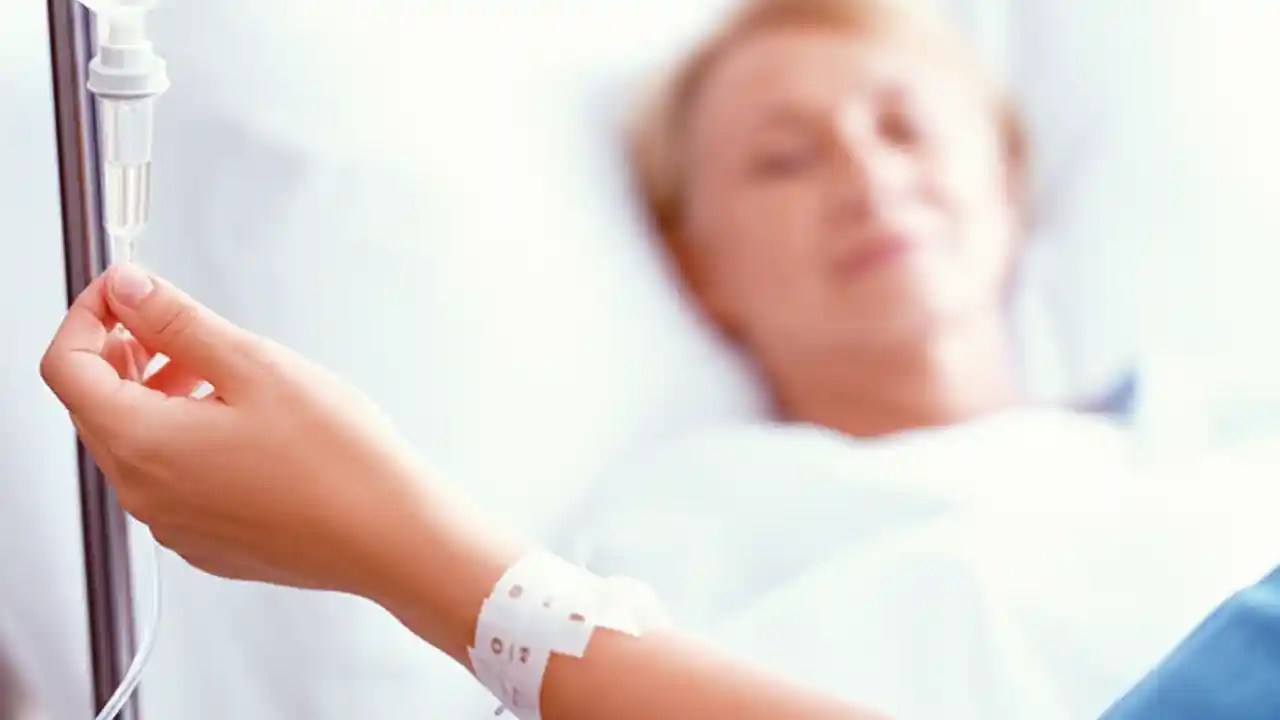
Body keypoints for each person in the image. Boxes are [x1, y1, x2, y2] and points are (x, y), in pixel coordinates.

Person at [35, 0, 1280, 718]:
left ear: (1007, 184)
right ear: (698, 264)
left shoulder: (1221, 459)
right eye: (782, 160)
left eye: (904, 126)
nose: (863, 170)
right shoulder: (671, 533)